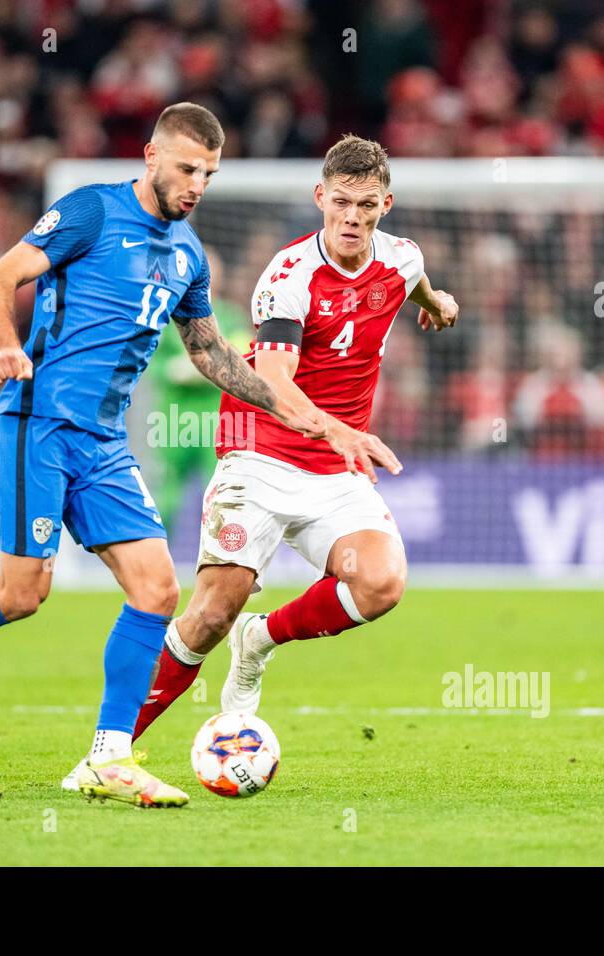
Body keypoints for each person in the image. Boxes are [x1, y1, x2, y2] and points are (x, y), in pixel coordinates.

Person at [0, 103, 336, 808]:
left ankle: (109, 757)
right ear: (151, 156)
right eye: (186, 168)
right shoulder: (91, 211)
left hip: (105, 443)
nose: (196, 184)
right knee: (22, 595)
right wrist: (6, 347)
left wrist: (286, 406)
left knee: (157, 590)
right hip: (39, 423)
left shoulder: (188, 255)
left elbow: (208, 351)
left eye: (208, 173)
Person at [63, 135, 458, 777]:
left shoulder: (403, 258)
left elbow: (414, 282)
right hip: (260, 453)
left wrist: (436, 304)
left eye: (365, 206)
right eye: (340, 203)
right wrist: (337, 431)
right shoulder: (289, 276)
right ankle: (107, 755)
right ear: (320, 197)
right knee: (211, 613)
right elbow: (273, 380)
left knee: (381, 582)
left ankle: (261, 637)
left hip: (333, 469)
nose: (351, 218)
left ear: (385, 206)